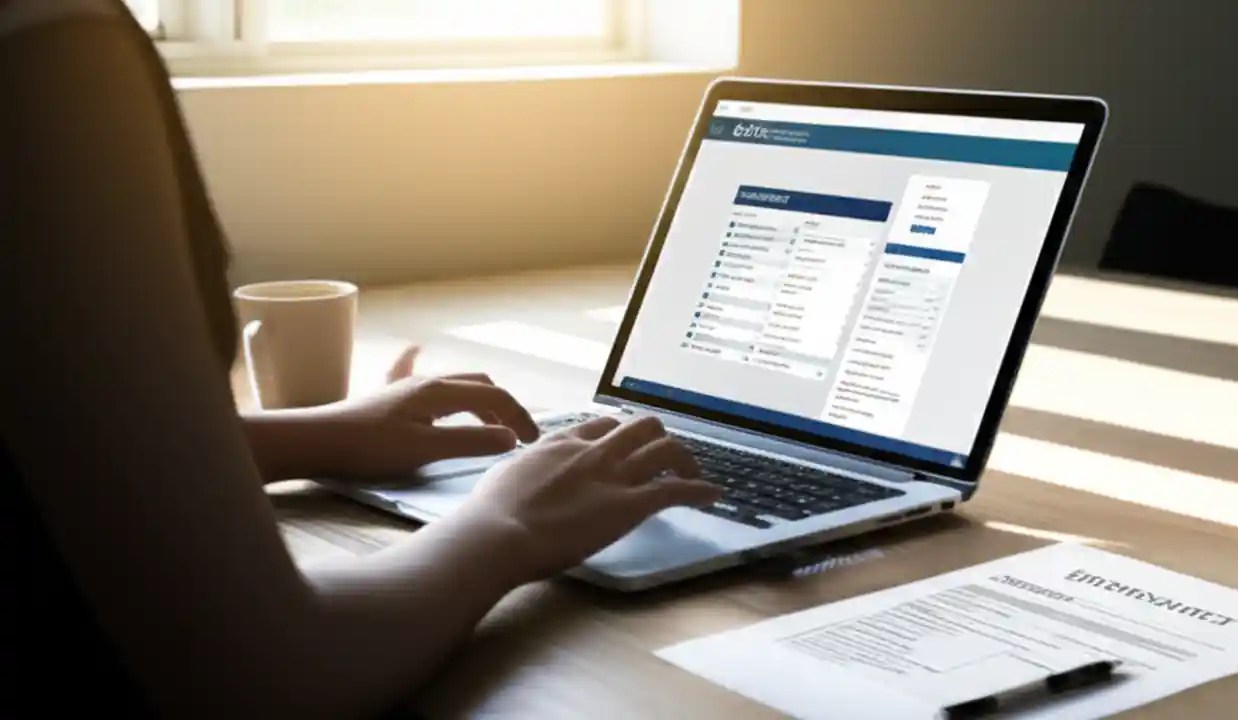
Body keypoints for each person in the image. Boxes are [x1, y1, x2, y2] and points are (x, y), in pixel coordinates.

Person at [0, 1, 721, 717]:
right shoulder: (49, 48)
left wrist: (311, 435)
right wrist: (507, 524)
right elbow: (269, 668)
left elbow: (62, 439)